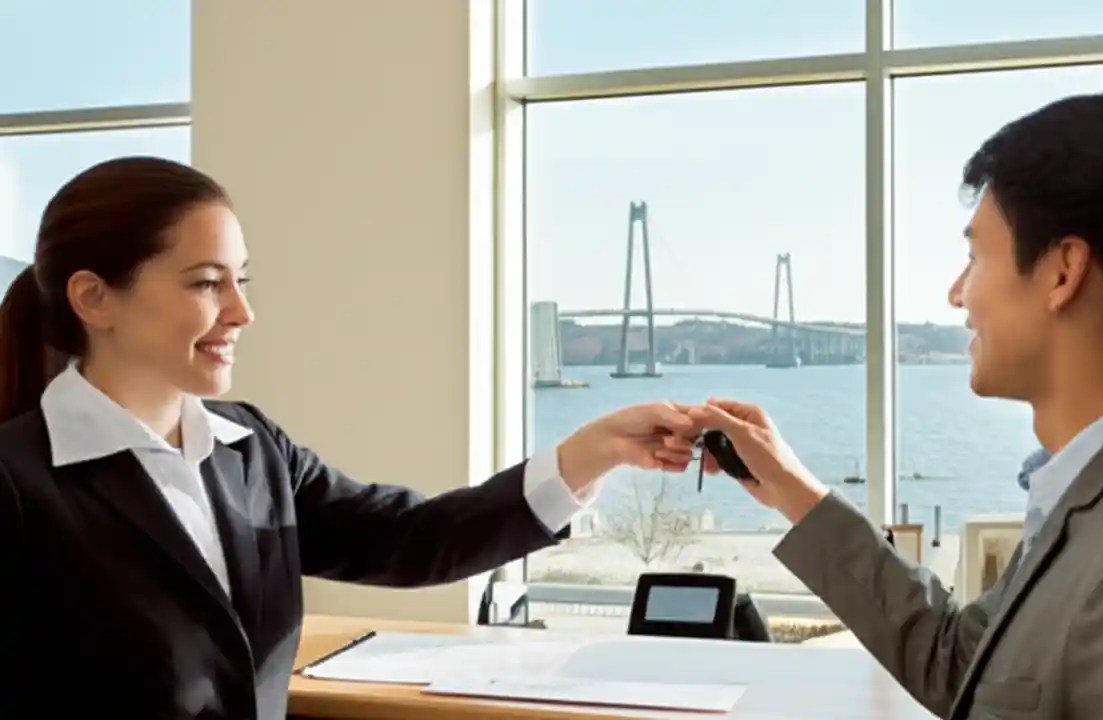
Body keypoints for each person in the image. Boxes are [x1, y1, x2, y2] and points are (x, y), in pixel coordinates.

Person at [0, 157, 698, 720]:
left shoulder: (250, 447)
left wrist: (591, 453)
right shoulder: (17, 482)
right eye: (207, 284)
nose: (243, 312)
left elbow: (413, 538)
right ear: (93, 298)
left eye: (241, 281)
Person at [689, 94, 1103, 718]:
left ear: (1062, 273)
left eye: (975, 256)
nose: (956, 293)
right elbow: (962, 662)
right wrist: (788, 487)